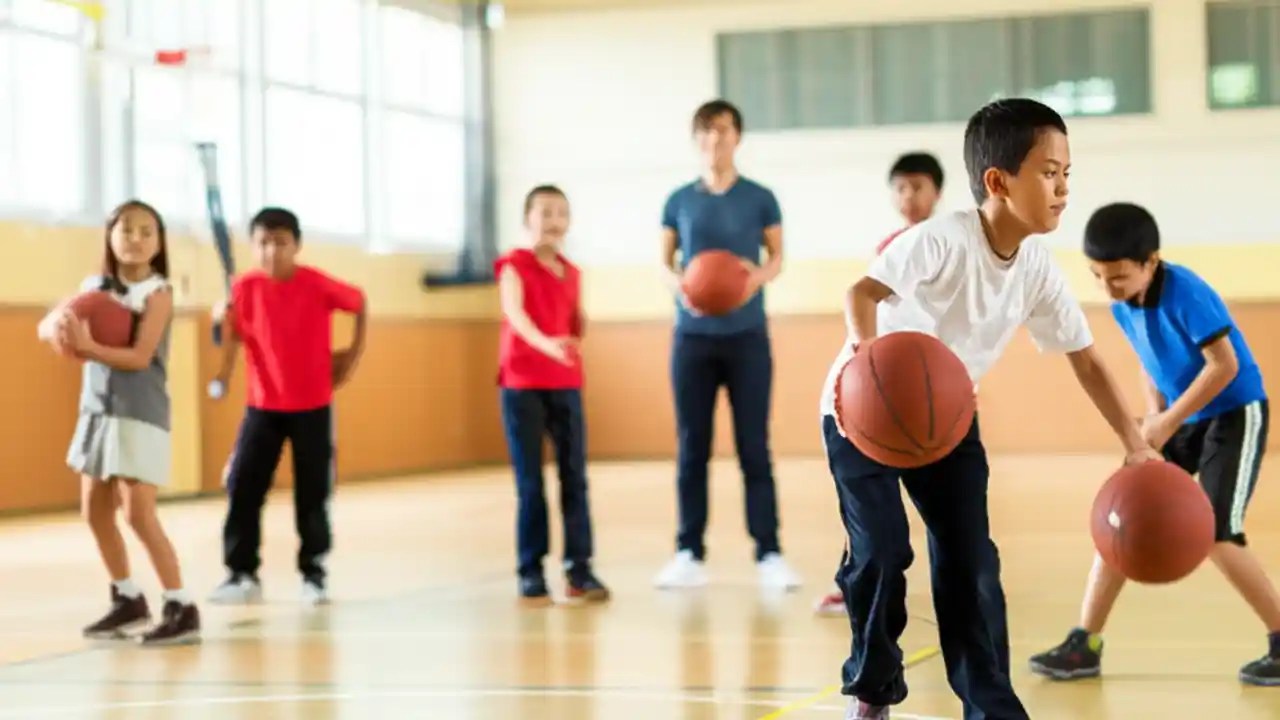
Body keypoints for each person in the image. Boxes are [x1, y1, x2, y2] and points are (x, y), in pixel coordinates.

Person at [821, 98, 1162, 720]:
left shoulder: (1036, 267)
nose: (1062, 189)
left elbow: (1086, 361)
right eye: (1049, 172)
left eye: (1067, 174)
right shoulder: (942, 239)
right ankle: (871, 688)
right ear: (998, 182)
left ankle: (991, 708)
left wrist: (1135, 442)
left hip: (946, 419)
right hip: (862, 413)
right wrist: (869, 365)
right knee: (883, 551)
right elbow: (861, 292)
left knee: (972, 559)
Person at [1028, 202, 1280, 687]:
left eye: (1118, 276)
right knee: (1120, 516)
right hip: (1180, 416)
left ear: (1151, 261)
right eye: (1097, 276)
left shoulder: (1186, 292)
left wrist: (1167, 422)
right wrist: (1151, 420)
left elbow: (1223, 366)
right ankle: (1085, 643)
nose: (1107, 287)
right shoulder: (1123, 303)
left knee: (1220, 533)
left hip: (1235, 414)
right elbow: (1150, 362)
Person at [37, 200, 200, 645]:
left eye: (147, 231)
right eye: (126, 229)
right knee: (94, 511)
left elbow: (140, 357)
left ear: (159, 241)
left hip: (139, 413)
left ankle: (181, 605)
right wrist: (58, 330)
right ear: (109, 235)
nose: (136, 239)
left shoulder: (159, 293)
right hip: (96, 412)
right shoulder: (93, 288)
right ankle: (127, 598)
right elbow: (50, 324)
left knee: (139, 514)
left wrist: (87, 348)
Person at [653, 98, 800, 590]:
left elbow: (777, 257)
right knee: (692, 446)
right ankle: (688, 552)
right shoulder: (678, 200)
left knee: (753, 446)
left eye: (724, 131)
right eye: (706, 132)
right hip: (692, 339)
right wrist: (687, 290)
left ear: (737, 136)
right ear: (697, 140)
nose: (715, 140)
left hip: (747, 338)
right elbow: (664, 263)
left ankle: (770, 553)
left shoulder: (761, 197)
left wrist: (751, 281)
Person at [206, 207, 366, 607]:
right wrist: (218, 322)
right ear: (252, 245)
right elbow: (230, 338)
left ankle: (314, 574)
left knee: (312, 493)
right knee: (243, 485)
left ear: (296, 245)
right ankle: (241, 574)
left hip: (313, 405)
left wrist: (351, 355)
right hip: (263, 406)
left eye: (280, 242)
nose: (271, 251)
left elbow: (360, 302)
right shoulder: (243, 289)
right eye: (262, 242)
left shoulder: (317, 284)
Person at [816, 151, 945, 617]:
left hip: (925, 386)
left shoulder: (944, 244)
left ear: (937, 193)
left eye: (918, 187)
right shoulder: (889, 248)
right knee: (867, 497)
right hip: (882, 384)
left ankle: (949, 583)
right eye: (902, 188)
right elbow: (871, 310)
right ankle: (850, 579)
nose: (909, 196)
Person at [496, 184, 610, 606]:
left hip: (566, 383)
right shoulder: (513, 265)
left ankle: (579, 569)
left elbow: (574, 322)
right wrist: (547, 345)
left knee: (574, 479)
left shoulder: (573, 272)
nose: (553, 220)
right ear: (528, 218)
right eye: (544, 212)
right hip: (522, 385)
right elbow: (517, 316)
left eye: (560, 212)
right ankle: (530, 571)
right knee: (530, 483)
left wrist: (576, 334)